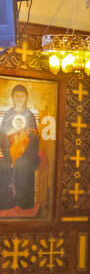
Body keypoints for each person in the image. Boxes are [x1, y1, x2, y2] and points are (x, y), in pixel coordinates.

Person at [0, 83, 42, 212]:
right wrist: (9, 137)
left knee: (23, 165)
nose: (19, 98)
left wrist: (23, 147)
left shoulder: (29, 115)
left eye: (21, 96)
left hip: (27, 153)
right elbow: (2, 135)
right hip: (8, 153)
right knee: (3, 166)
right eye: (16, 96)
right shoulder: (8, 115)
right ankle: (5, 202)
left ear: (26, 98)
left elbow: (34, 138)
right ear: (12, 98)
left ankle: (24, 203)